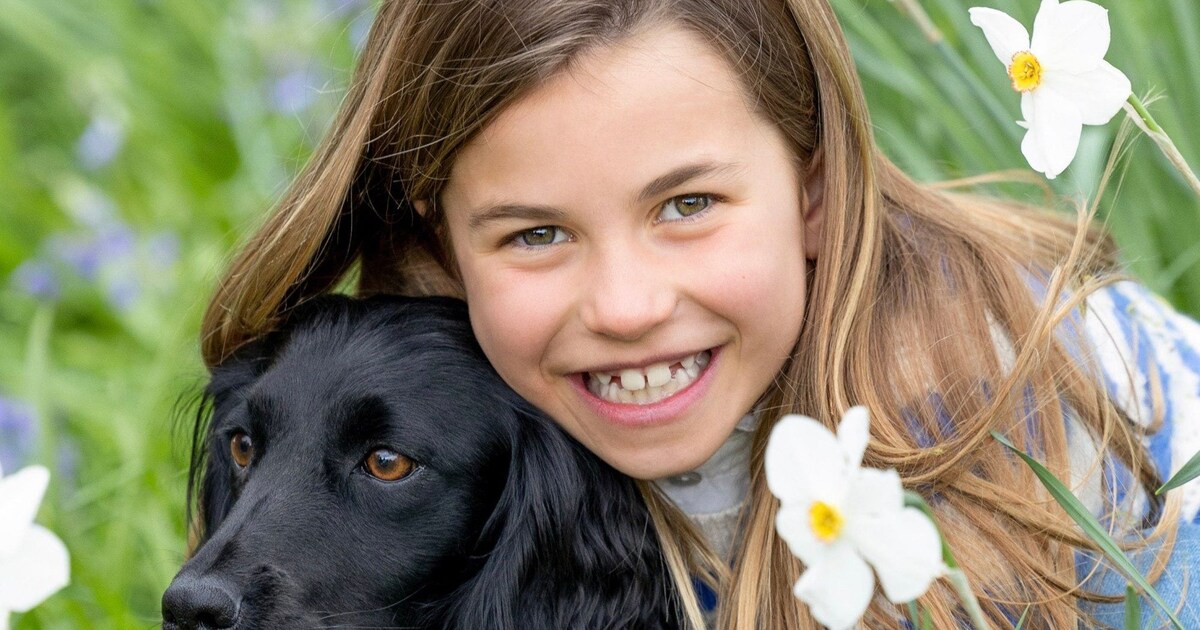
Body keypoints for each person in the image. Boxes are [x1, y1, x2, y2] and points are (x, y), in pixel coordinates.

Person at [197, 0, 1200, 627]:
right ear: (443, 240)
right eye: (536, 233)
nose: (628, 309)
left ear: (816, 189)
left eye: (688, 206)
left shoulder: (1035, 400)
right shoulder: (458, 400)